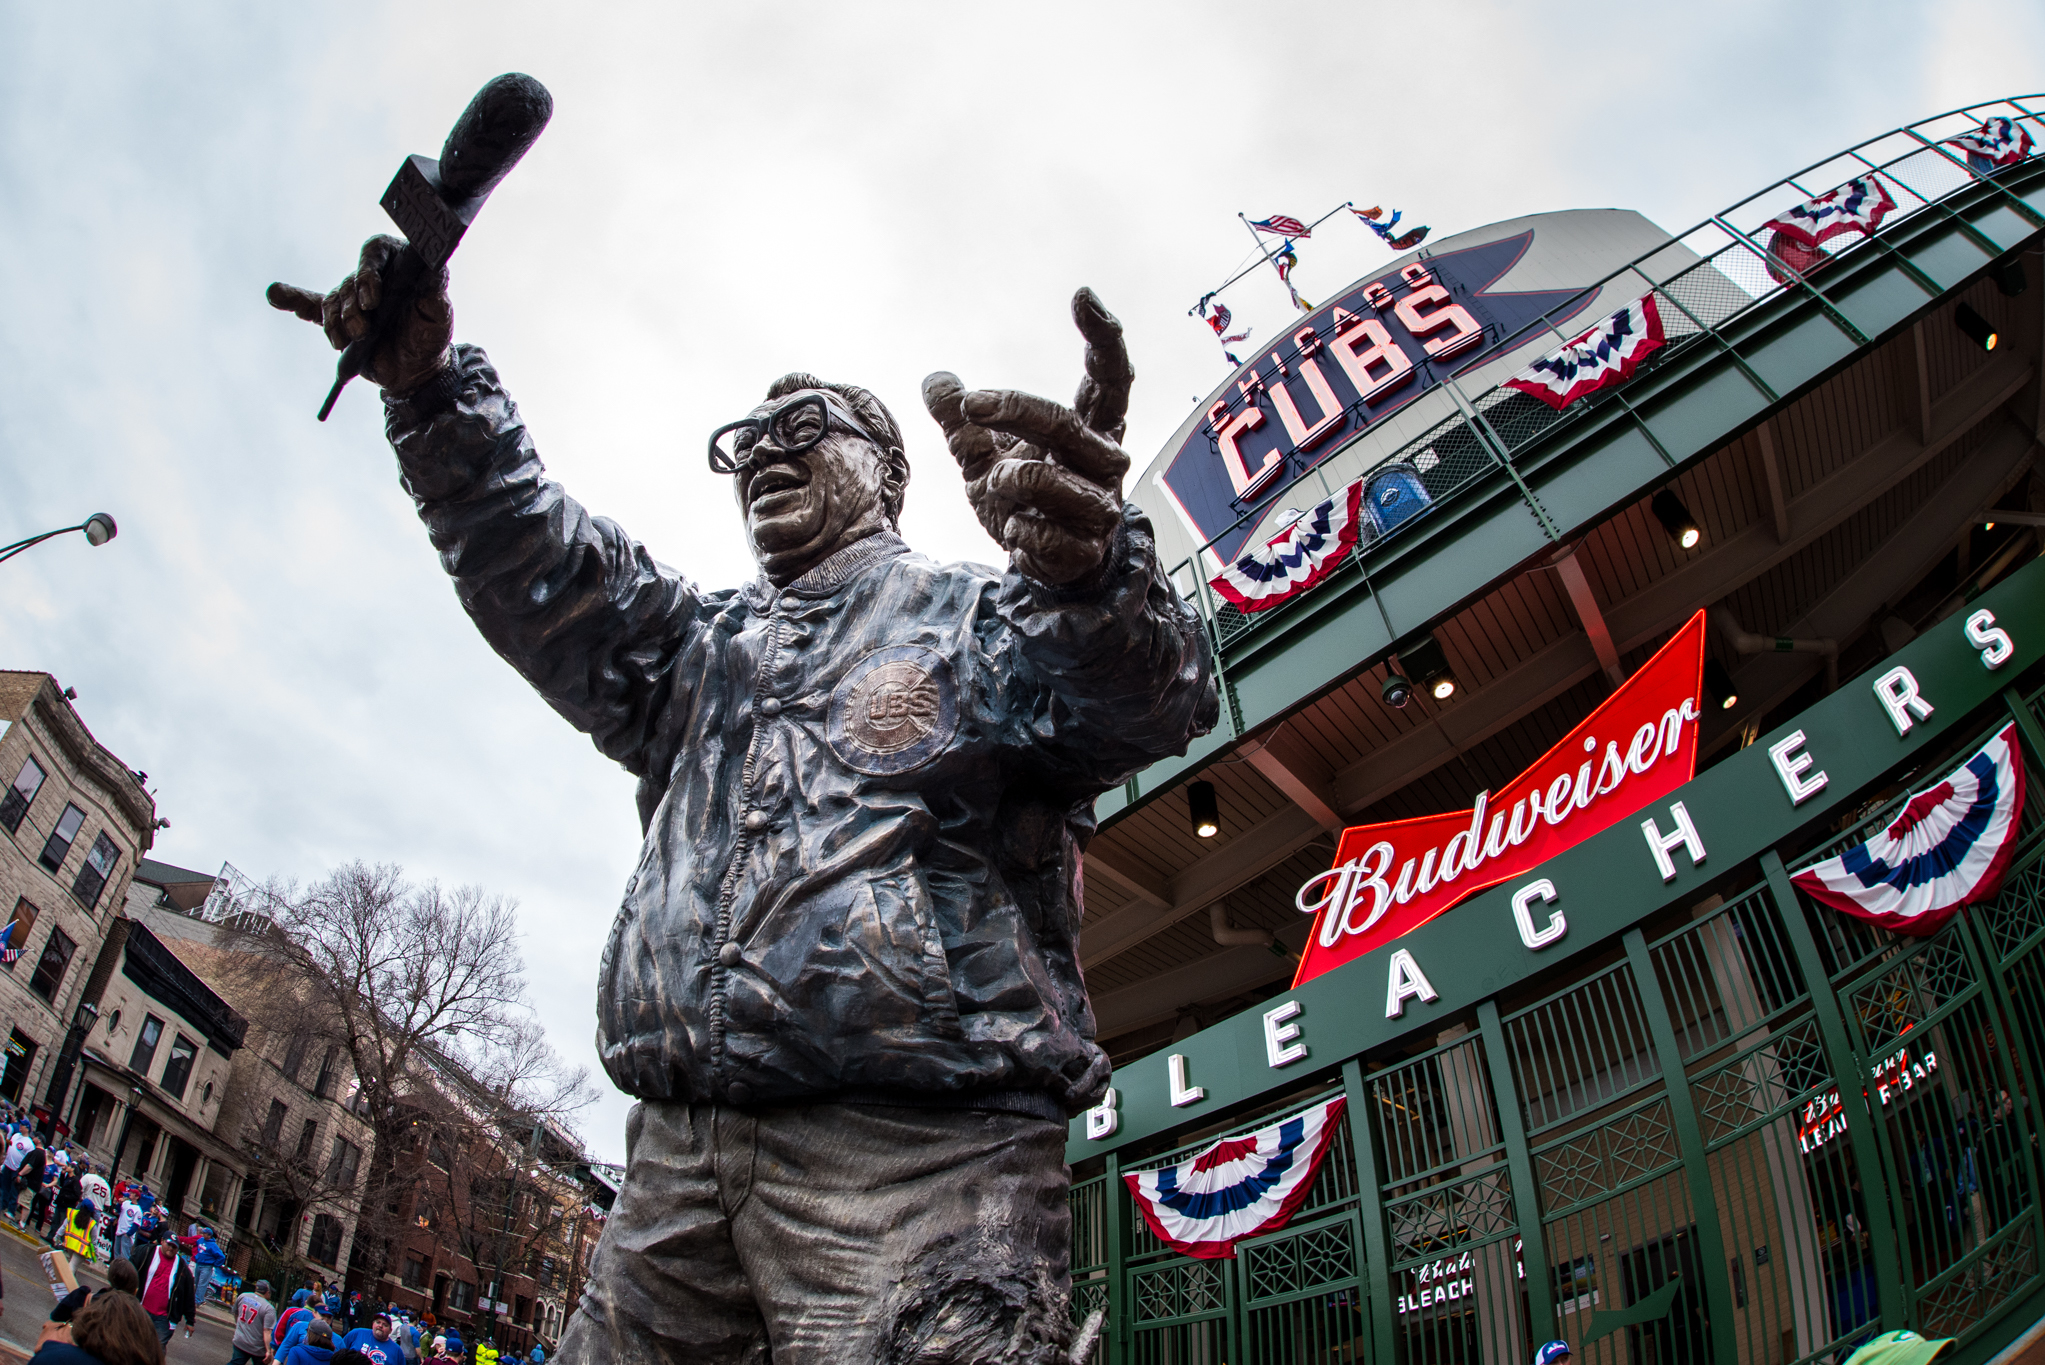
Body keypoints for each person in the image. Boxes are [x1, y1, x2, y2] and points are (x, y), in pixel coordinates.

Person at [272, 194, 1214, 1362]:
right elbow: (536, 558)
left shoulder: (982, 616)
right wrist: (427, 395)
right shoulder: (694, 652)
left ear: (887, 470)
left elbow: (1153, 702)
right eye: (744, 441)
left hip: (921, 1161)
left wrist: (1092, 582)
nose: (764, 449)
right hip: (675, 1169)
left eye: (804, 426)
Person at [230, 1278, 278, 1365]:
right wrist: (268, 1351)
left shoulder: (243, 1296)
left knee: (235, 1363)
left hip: (240, 1341)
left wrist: (240, 1327)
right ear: (267, 1292)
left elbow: (236, 1313)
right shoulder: (269, 1308)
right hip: (257, 1348)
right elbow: (267, 1331)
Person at [339, 1312, 404, 1365]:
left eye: (385, 1325)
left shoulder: (397, 1351)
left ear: (390, 1331)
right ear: (373, 1324)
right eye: (378, 1322)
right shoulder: (357, 1333)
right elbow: (339, 1354)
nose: (380, 1326)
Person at [191, 1226, 227, 1307]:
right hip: (198, 1264)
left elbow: (221, 1256)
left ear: (209, 1235)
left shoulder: (213, 1245)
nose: (203, 1234)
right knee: (197, 1282)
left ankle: (197, 1301)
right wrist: (197, 1256)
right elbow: (197, 1245)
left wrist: (214, 1264)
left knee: (202, 1284)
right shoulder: (200, 1240)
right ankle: (197, 1299)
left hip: (206, 1267)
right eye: (203, 1233)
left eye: (204, 1233)